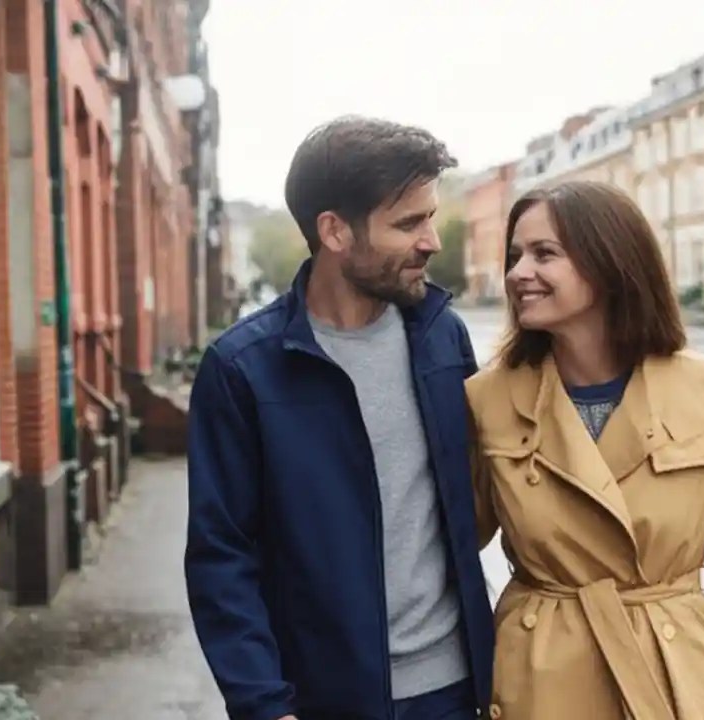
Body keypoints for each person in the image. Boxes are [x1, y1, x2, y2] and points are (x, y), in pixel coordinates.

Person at [184, 115, 495, 720]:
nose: (431, 240)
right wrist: (263, 705)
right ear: (334, 231)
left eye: (430, 216)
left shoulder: (441, 338)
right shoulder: (243, 369)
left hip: (455, 693)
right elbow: (222, 557)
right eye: (408, 223)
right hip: (323, 698)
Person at [465, 181, 704, 720]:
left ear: (608, 263)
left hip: (677, 678)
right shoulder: (487, 397)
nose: (516, 273)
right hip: (543, 680)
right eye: (515, 255)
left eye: (543, 254)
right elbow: (444, 554)